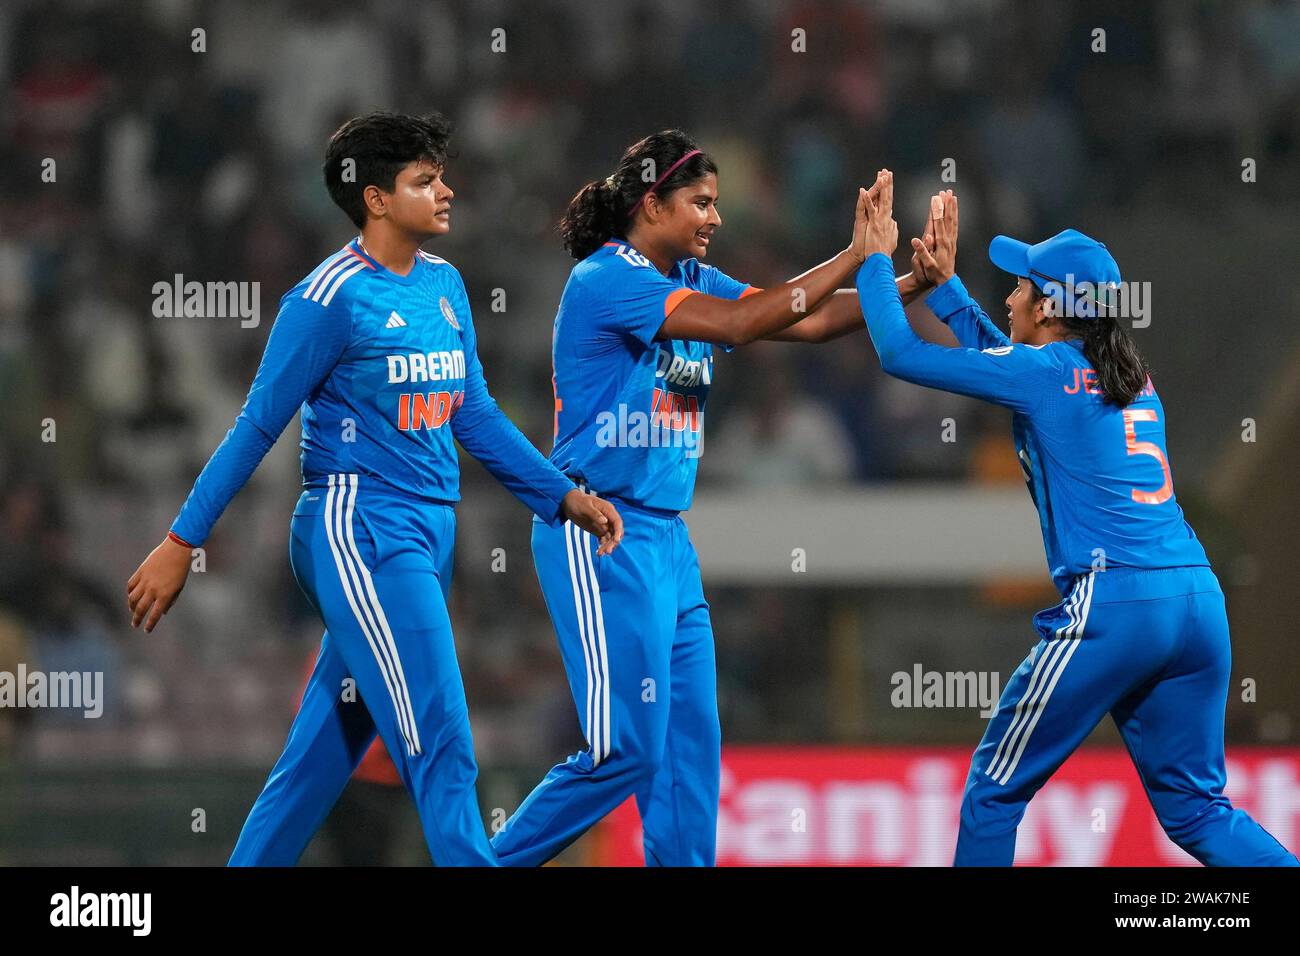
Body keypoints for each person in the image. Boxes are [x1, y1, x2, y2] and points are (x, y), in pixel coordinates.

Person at [125, 111, 623, 866]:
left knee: (319, 759)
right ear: (378, 200)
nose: (447, 191)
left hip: (424, 536)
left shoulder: (446, 285)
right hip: (356, 529)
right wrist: (180, 540)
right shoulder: (327, 300)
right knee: (444, 743)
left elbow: (475, 415)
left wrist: (562, 495)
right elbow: (257, 427)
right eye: (426, 181)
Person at [491, 131, 932, 867]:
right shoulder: (608, 280)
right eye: (700, 202)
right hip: (599, 528)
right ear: (651, 202)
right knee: (627, 749)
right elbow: (740, 324)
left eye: (717, 204)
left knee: (689, 756)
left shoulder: (690, 275)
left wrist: (910, 281)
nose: (713, 218)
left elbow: (810, 318)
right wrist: (858, 253)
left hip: (668, 542)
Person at [855, 170, 1298, 866]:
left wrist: (873, 259)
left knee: (993, 792)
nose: (1010, 296)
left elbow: (898, 352)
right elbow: (1012, 367)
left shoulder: (1044, 374)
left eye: (1022, 287)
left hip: (1117, 604)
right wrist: (947, 290)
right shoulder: (1128, 375)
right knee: (1200, 813)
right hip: (1194, 601)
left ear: (1051, 308)